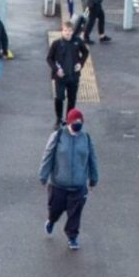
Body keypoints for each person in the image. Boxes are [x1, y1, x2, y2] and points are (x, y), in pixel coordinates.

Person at [40, 107, 98, 250]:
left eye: (80, 123)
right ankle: (51, 220)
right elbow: (48, 155)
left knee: (75, 213)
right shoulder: (58, 135)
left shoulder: (86, 137)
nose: (77, 127)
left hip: (78, 185)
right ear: (69, 123)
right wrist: (43, 175)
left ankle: (72, 237)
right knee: (55, 209)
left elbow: (92, 159)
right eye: (75, 124)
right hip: (59, 184)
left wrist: (93, 178)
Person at [45, 19, 89, 126]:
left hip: (73, 76)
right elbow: (49, 58)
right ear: (62, 31)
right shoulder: (56, 44)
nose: (67, 33)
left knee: (72, 98)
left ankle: (69, 119)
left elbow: (85, 52)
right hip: (60, 77)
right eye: (65, 30)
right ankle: (59, 119)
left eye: (70, 31)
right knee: (59, 98)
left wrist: (80, 64)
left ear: (73, 31)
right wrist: (56, 69)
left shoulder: (77, 41)